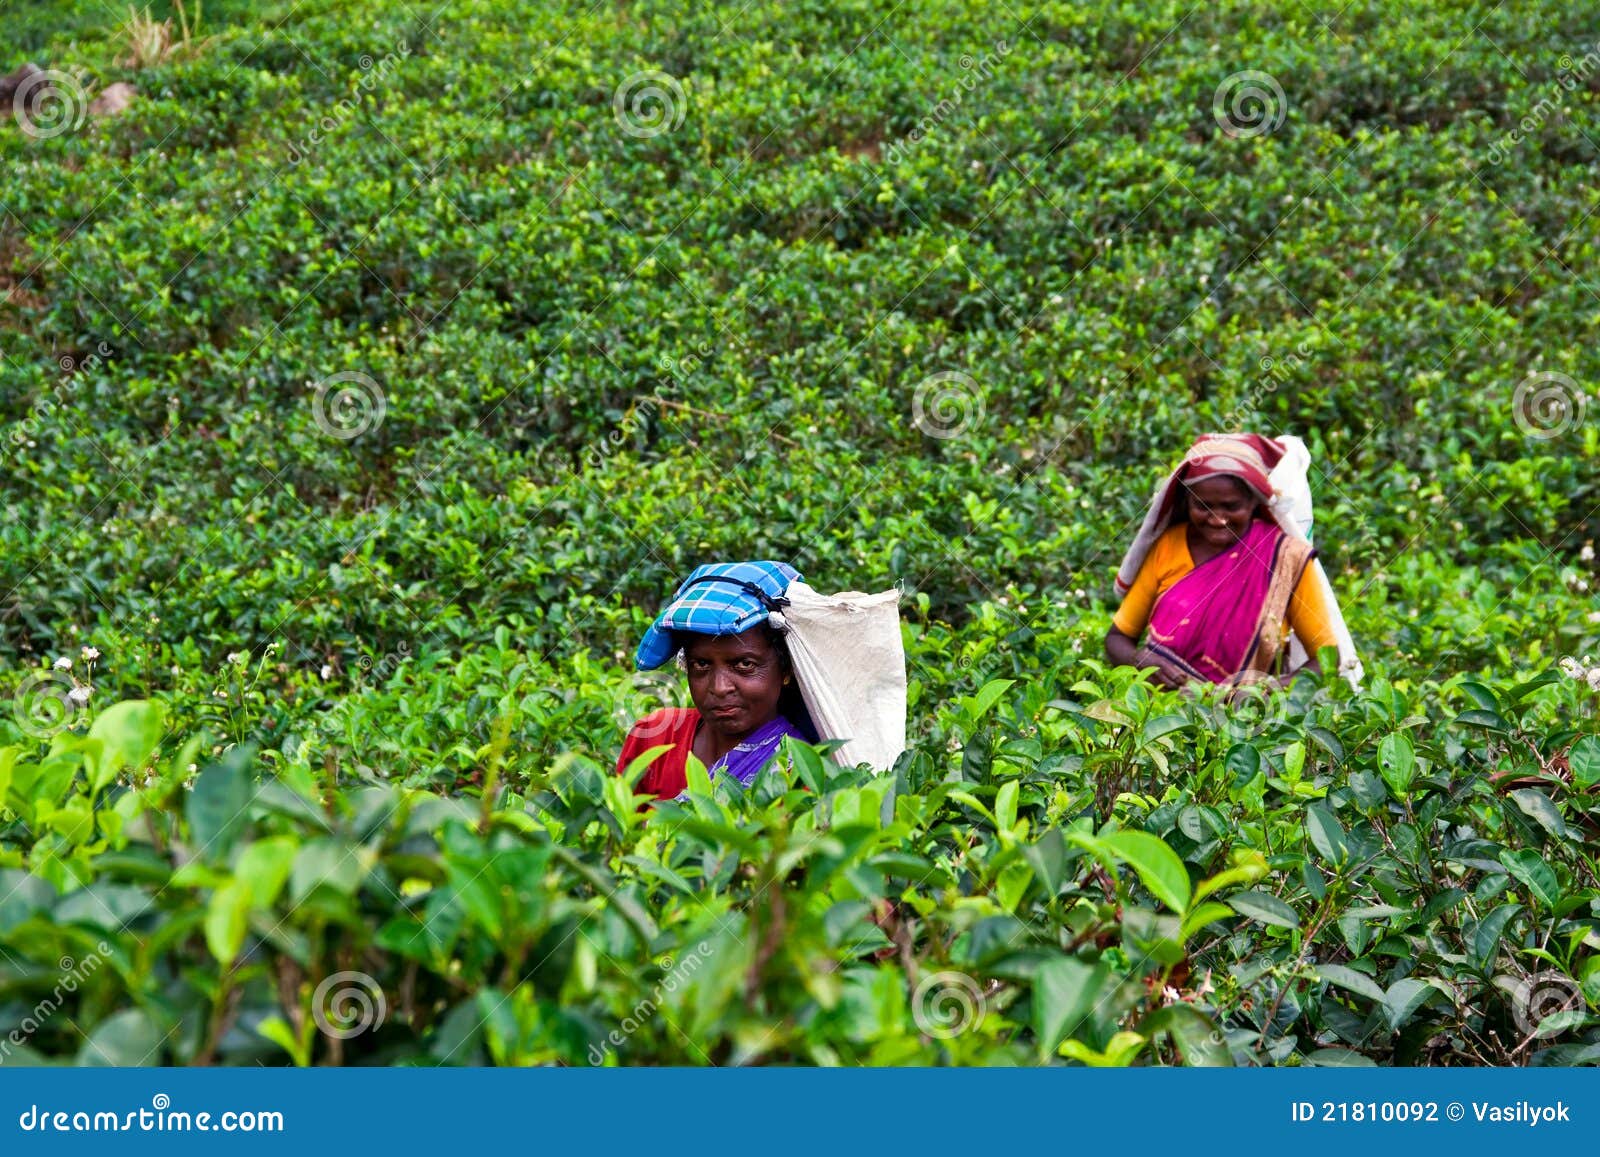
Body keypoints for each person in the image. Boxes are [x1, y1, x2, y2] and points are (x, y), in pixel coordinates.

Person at [1105, 434, 1345, 690]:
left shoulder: (1286, 559)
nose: (1217, 519)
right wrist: (1140, 660)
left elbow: (1327, 660)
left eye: (1231, 507)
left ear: (1254, 502)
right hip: (1156, 714)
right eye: (1203, 506)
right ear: (1187, 501)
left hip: (1246, 720)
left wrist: (1270, 690)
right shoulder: (1168, 546)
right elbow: (1117, 638)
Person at [617, 560, 814, 801]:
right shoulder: (654, 737)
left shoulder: (802, 773)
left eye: (744, 665)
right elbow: (622, 835)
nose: (719, 688)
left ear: (786, 669)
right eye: (701, 664)